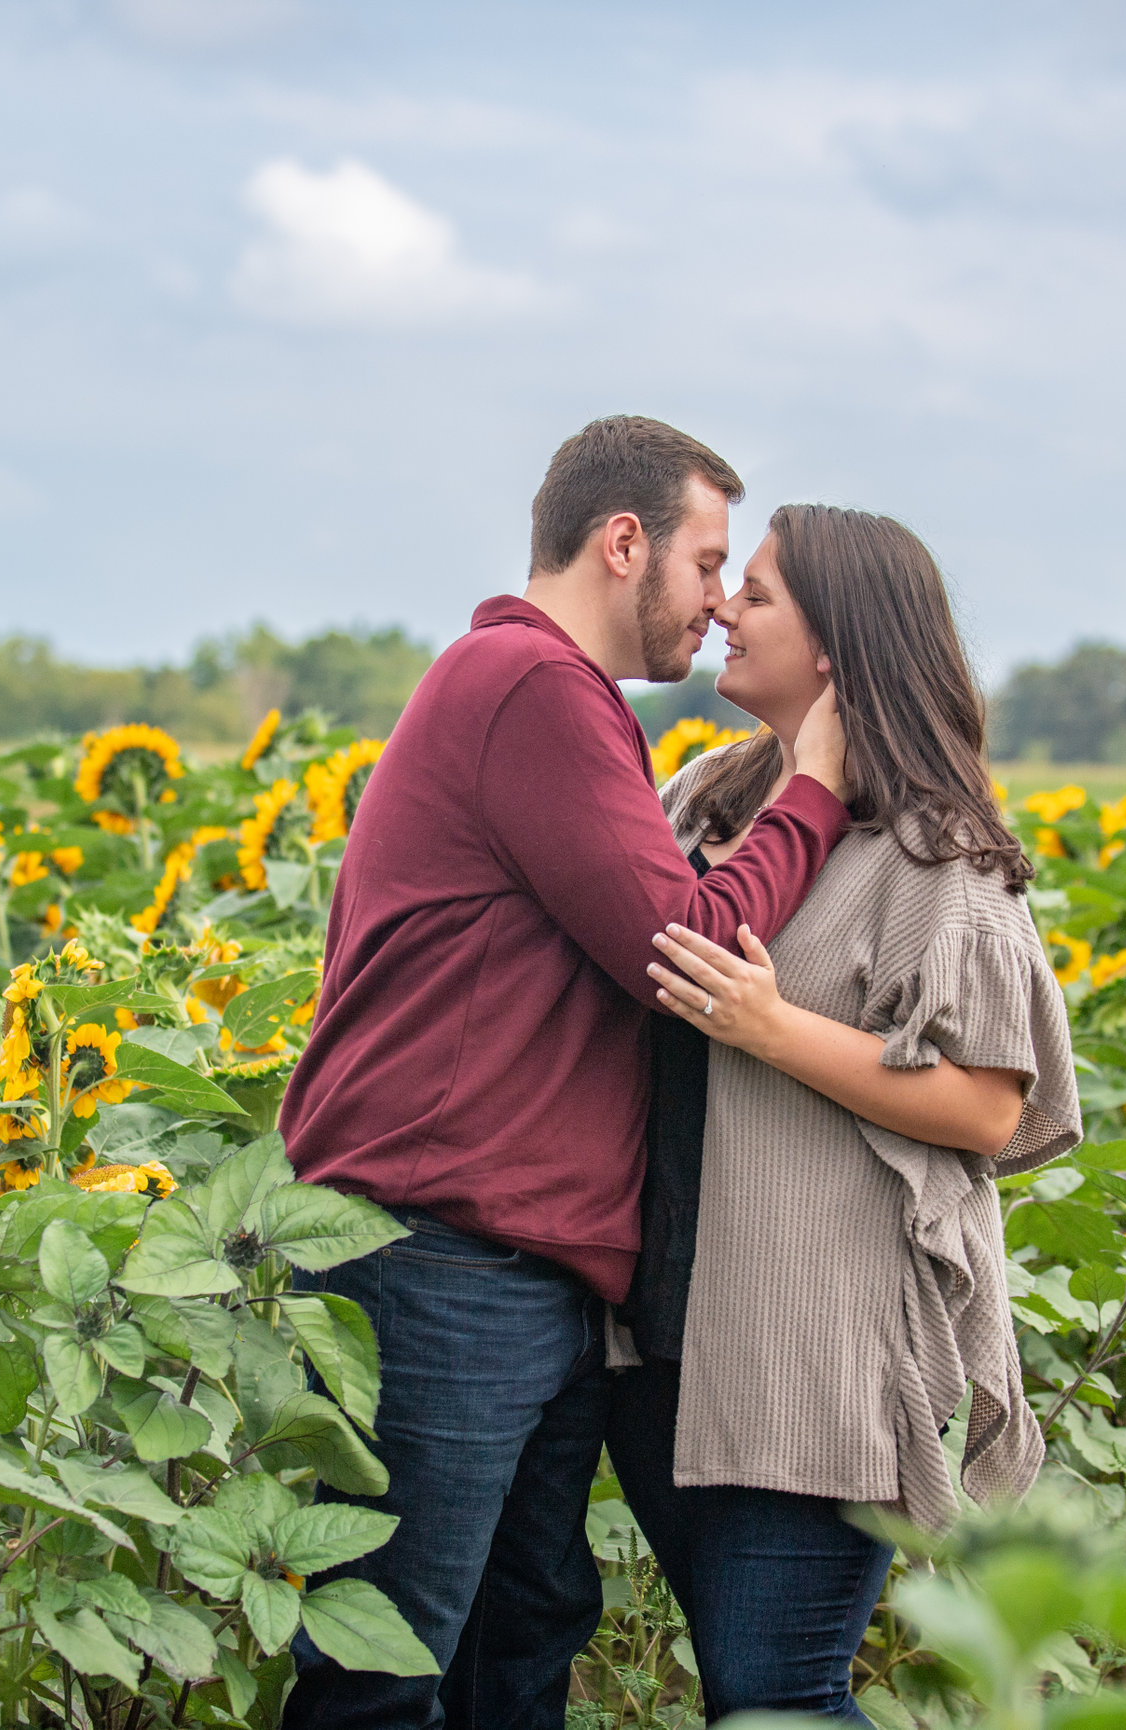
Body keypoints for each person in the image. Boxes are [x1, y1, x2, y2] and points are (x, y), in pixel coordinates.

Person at [277, 417, 855, 1730]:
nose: (717, 601)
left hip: (514, 1265)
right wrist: (813, 788)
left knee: (517, 1643)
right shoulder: (526, 684)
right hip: (443, 1253)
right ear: (622, 544)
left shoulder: (551, 697)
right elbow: (687, 943)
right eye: (706, 562)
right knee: (386, 1668)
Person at [606, 504, 1083, 1722]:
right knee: (749, 1692)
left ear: (835, 641)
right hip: (671, 1332)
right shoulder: (707, 798)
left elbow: (988, 1103)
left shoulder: (934, 851)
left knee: (778, 1691)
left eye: (757, 592)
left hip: (822, 1343)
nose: (722, 606)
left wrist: (772, 1028)